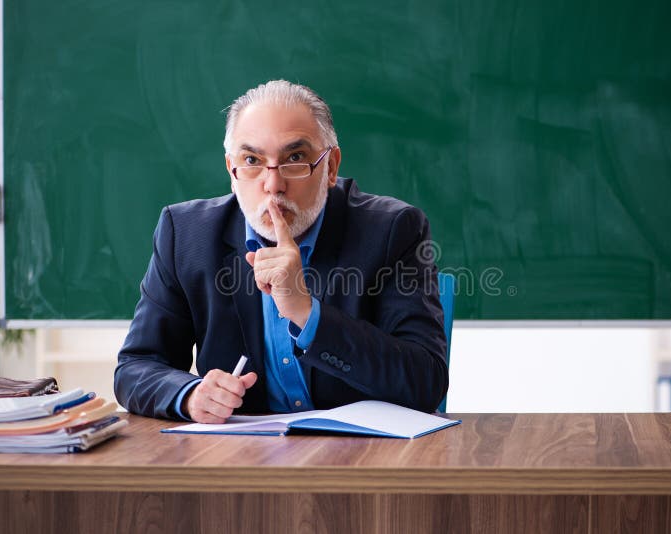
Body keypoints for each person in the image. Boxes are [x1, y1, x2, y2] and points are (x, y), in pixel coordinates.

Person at [114, 80, 448, 422]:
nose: (273, 185)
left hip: (362, 457)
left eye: (295, 159)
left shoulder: (394, 230)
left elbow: (425, 381)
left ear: (330, 167)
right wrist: (190, 395)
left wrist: (306, 313)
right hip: (242, 459)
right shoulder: (184, 234)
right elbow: (136, 367)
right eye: (252, 160)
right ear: (232, 171)